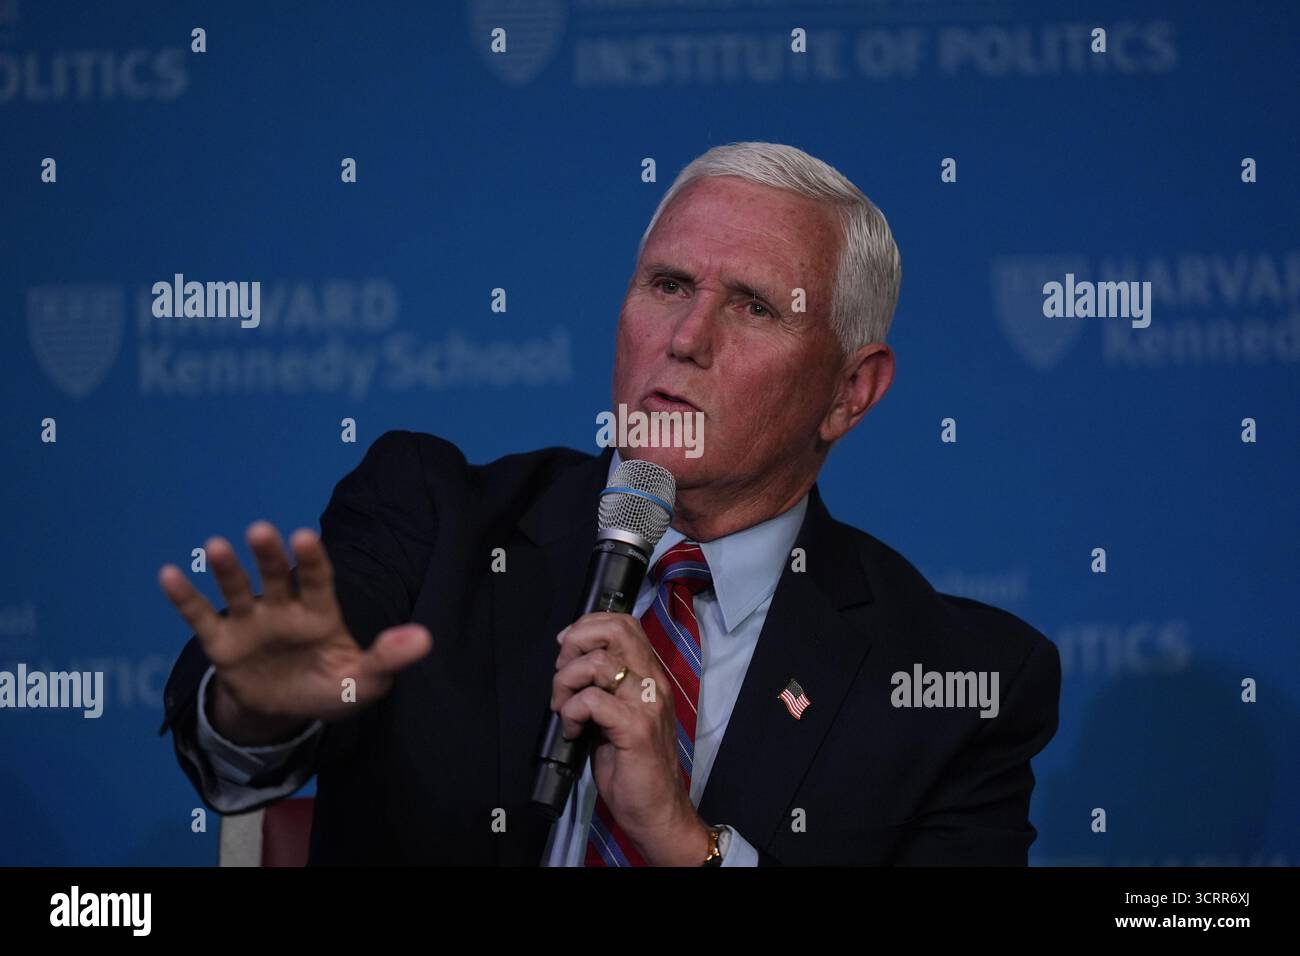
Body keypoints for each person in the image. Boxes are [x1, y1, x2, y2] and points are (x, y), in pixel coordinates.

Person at [157, 141, 1061, 866]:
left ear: (850, 393)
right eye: (669, 285)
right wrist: (257, 705)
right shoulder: (437, 517)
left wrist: (688, 846)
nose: (687, 337)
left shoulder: (956, 685)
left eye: (752, 307)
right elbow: (255, 702)